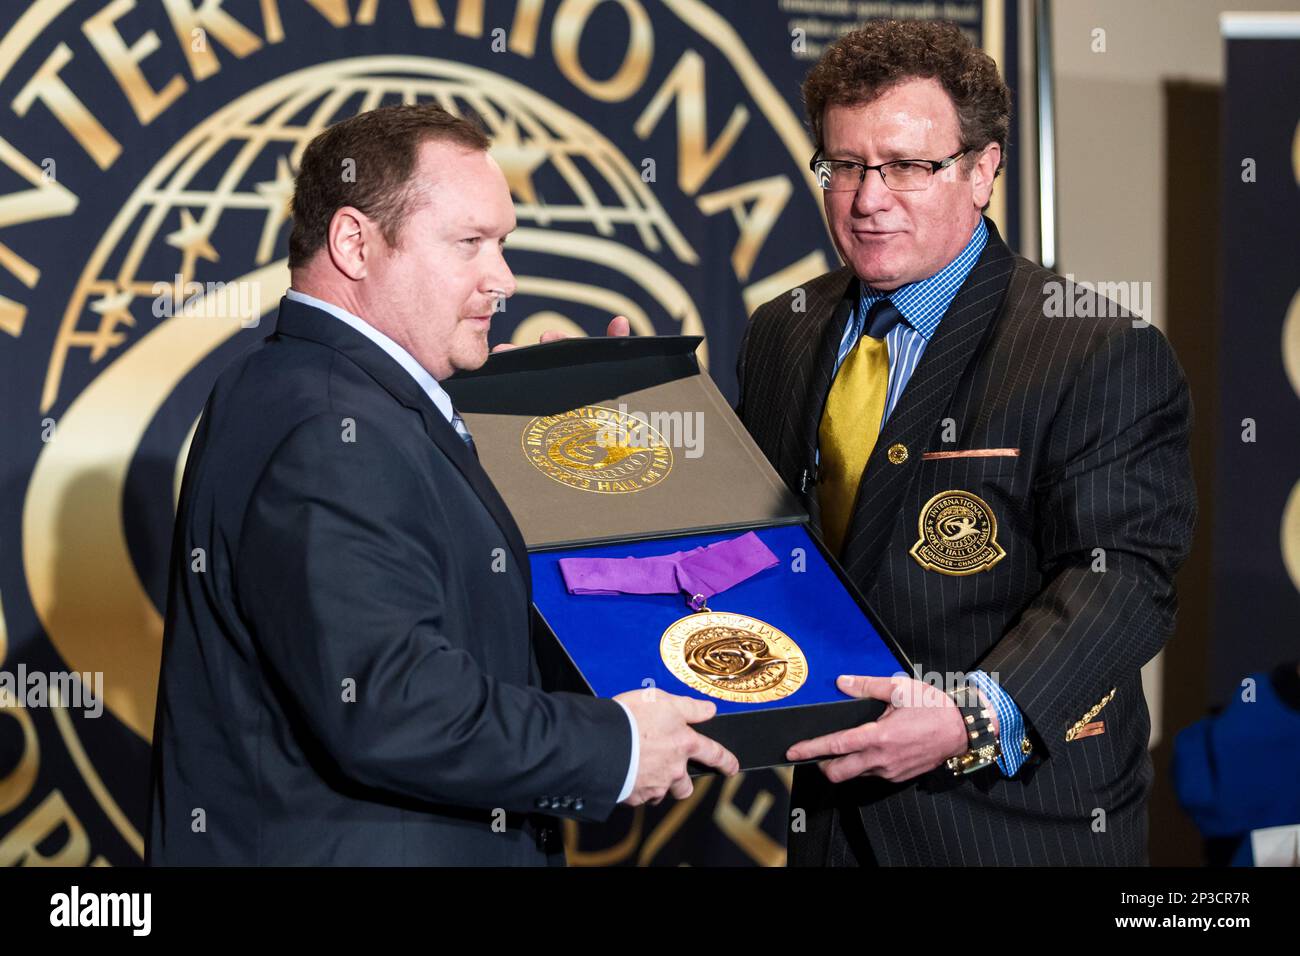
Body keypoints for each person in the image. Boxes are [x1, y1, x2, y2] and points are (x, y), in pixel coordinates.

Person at [146, 104, 738, 867]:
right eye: (469, 244)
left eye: (502, 244)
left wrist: (552, 436)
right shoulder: (330, 429)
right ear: (355, 244)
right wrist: (616, 749)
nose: (504, 278)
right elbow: (393, 707)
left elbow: (462, 625)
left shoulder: (313, 389)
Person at [735, 20, 1196, 865]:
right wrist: (609, 413)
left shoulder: (1093, 347)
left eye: (909, 166)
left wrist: (971, 715)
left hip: (1012, 825)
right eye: (844, 166)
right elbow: (754, 541)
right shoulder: (784, 331)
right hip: (830, 821)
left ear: (983, 170)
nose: (869, 199)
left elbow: (1124, 579)